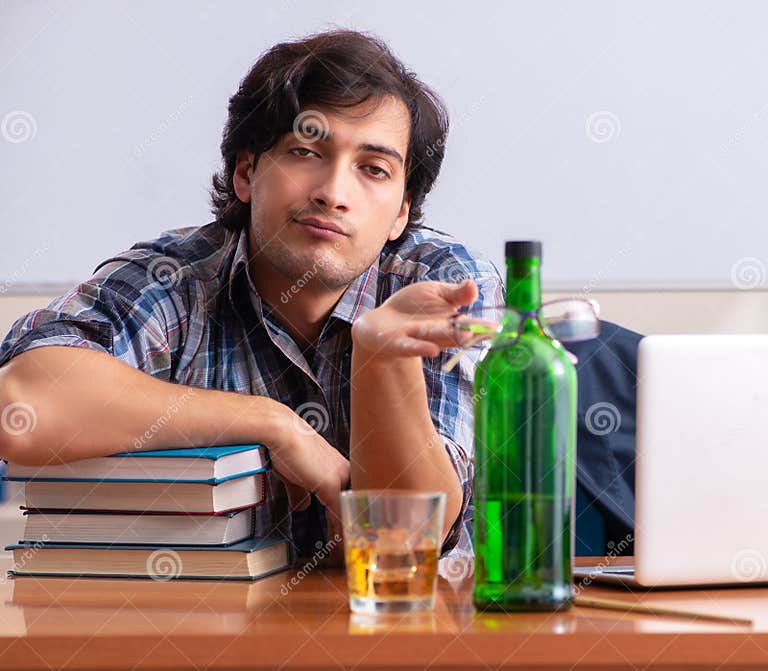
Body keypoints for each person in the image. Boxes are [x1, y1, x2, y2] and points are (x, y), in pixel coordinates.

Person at [0, 29, 640, 563]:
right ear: (247, 172)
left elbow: (409, 545)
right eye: (307, 151)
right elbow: (19, 408)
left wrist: (381, 357)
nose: (333, 192)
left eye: (373, 169)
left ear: (400, 212)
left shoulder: (440, 278)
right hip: (211, 637)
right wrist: (271, 423)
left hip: (411, 641)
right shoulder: (176, 280)